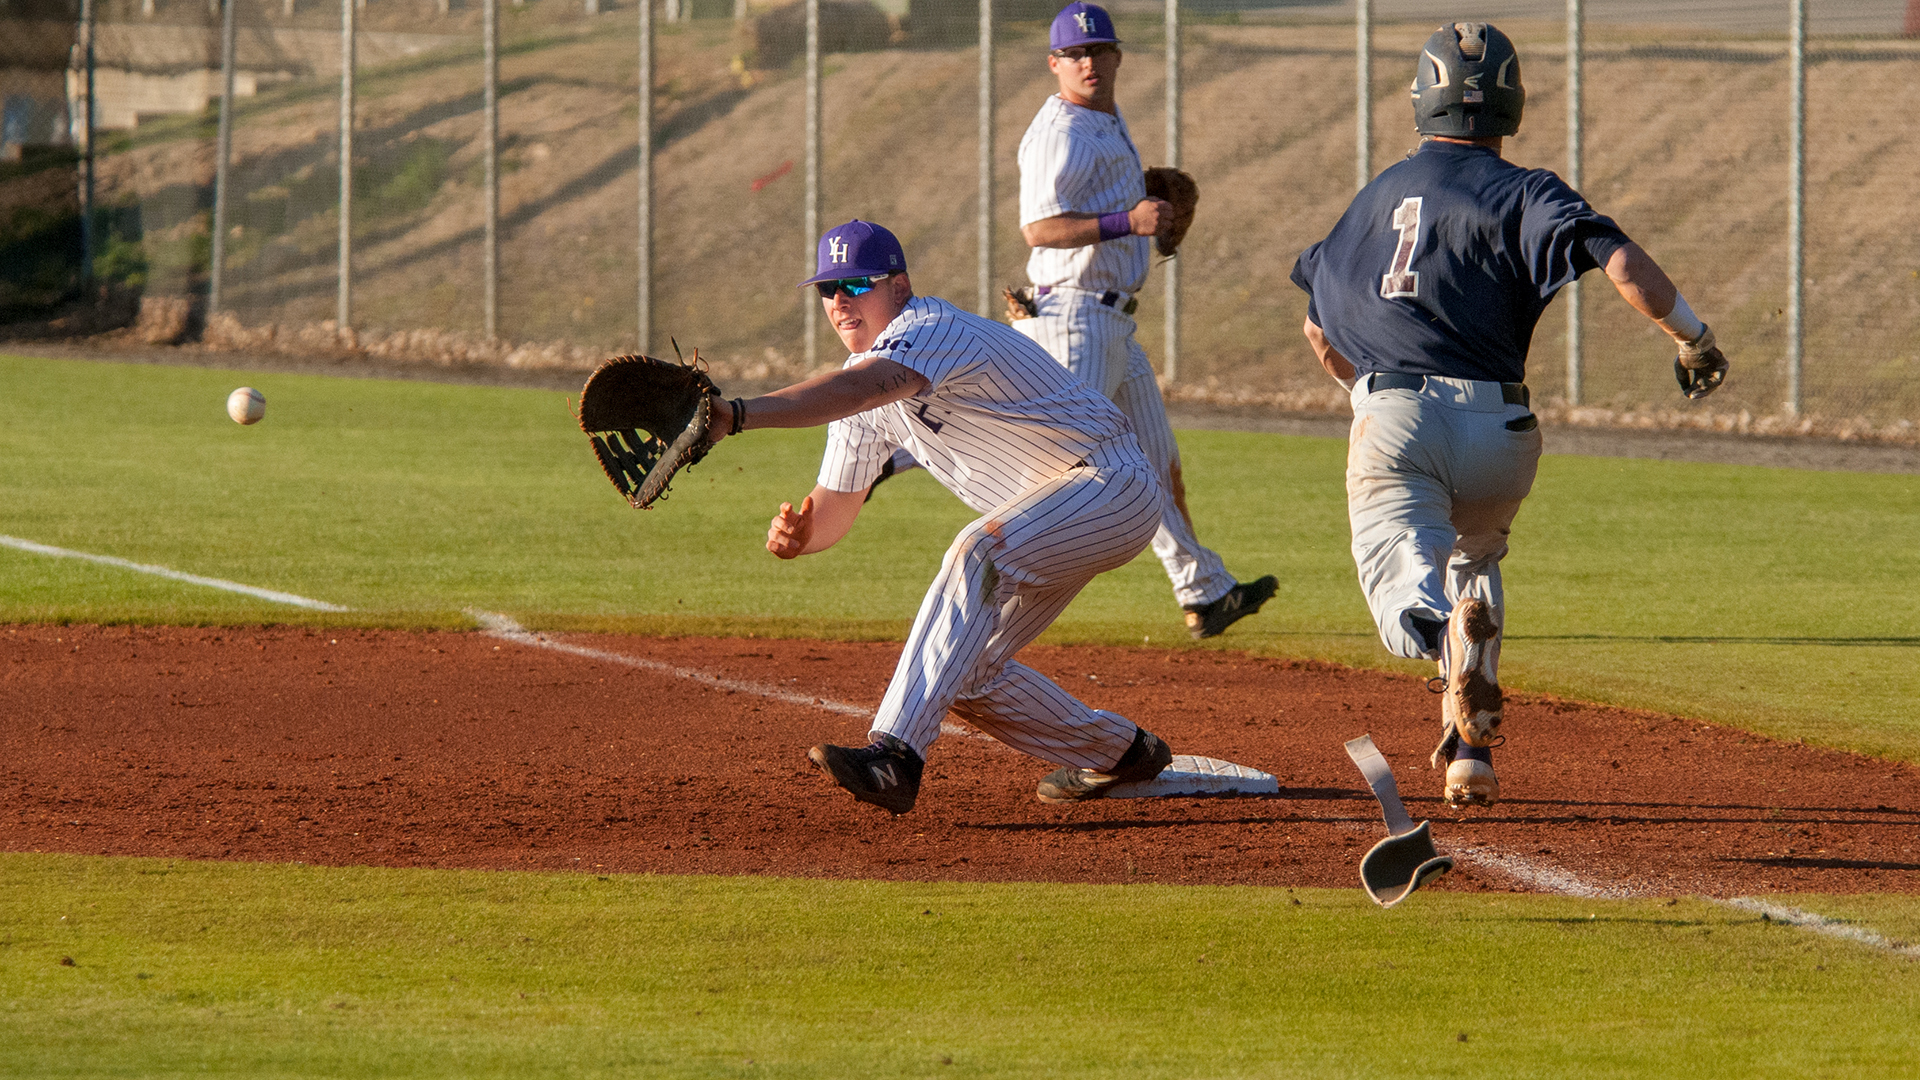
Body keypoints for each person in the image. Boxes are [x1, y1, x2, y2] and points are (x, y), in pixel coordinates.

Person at [1289, 22, 1728, 807]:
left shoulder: (1378, 192)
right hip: (1502, 433)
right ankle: (1470, 755)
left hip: (1396, 413)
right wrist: (1692, 339)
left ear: (1421, 101)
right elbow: (1623, 263)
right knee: (1476, 564)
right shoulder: (1529, 191)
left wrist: (1366, 392)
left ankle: (1441, 641)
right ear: (1511, 103)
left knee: (1403, 584)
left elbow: (1318, 322)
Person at [710, 219, 1177, 815]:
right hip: (1048, 512)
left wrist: (738, 414)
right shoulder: (859, 390)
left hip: (1110, 483)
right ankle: (1123, 752)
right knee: (967, 673)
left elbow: (869, 386)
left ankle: (894, 755)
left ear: (899, 285)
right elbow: (835, 506)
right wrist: (802, 537)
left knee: (976, 550)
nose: (840, 301)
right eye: (828, 289)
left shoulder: (930, 328)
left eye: (857, 283)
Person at [1012, 1, 1277, 641]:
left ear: (1116, 57)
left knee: (1156, 463)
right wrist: (1125, 222)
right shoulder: (1062, 133)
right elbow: (1039, 228)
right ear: (1054, 64)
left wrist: (1134, 210)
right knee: (1050, 458)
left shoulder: (1103, 115)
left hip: (1110, 323)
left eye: (1097, 50)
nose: (1087, 62)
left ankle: (1204, 592)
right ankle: (904, 454)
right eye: (1073, 54)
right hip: (1074, 318)